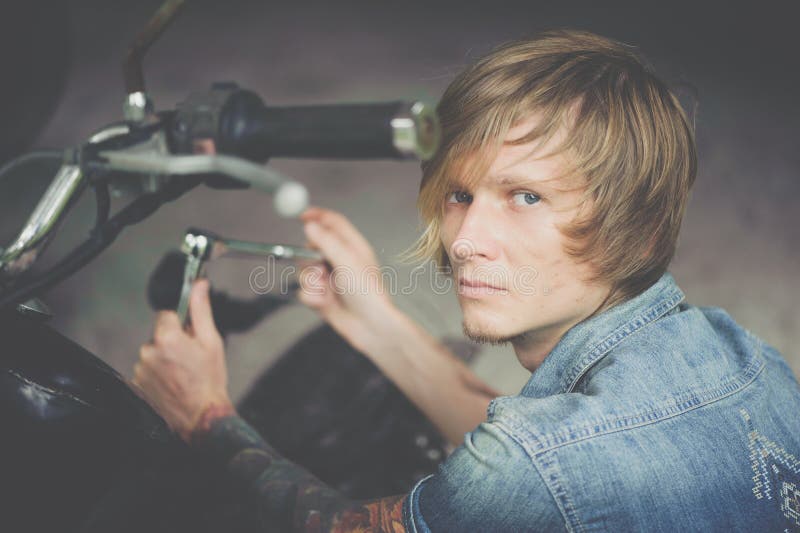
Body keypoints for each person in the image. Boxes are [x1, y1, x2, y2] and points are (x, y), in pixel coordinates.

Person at [132, 29, 800, 531]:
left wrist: (206, 416)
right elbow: (542, 457)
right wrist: (372, 318)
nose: (466, 241)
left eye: (526, 196)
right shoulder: (745, 356)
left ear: (643, 230)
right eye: (458, 193)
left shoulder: (528, 466)